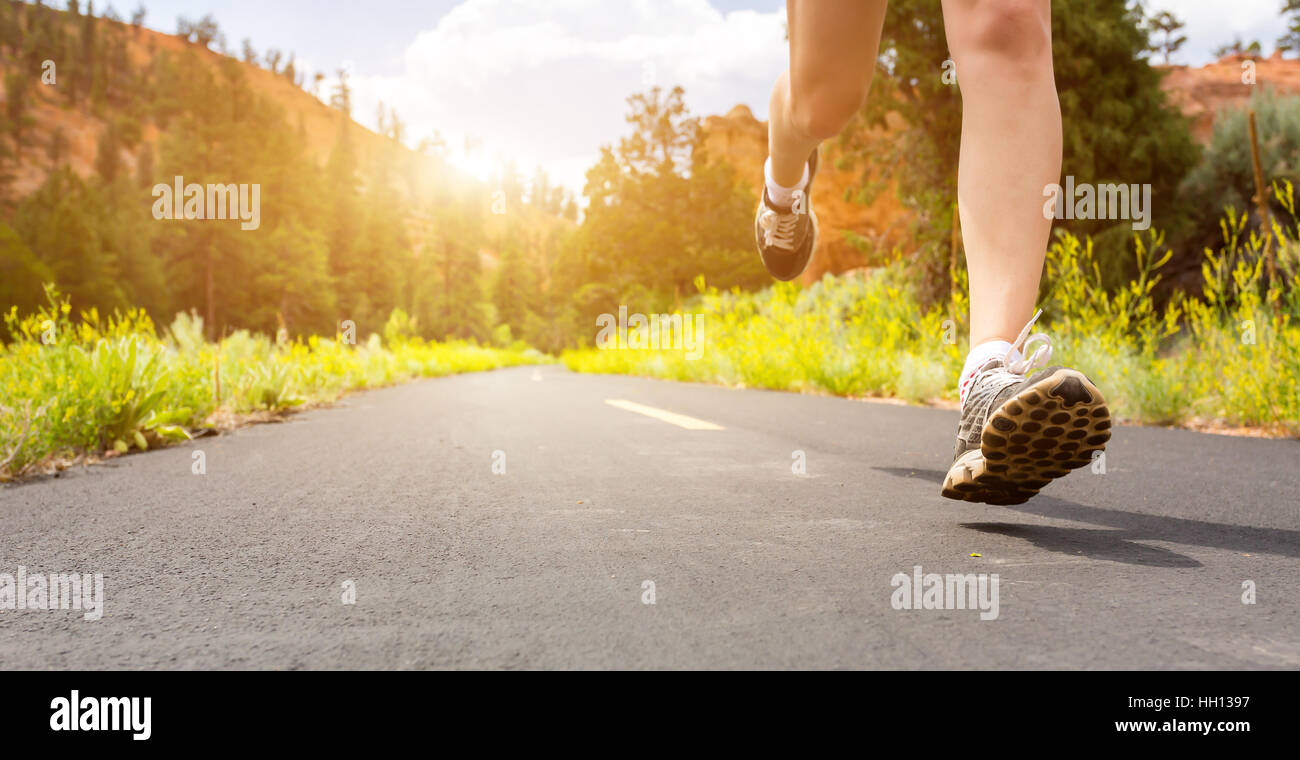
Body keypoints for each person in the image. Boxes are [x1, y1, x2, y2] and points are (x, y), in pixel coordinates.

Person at [753, 0, 1110, 505]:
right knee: (823, 100)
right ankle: (783, 187)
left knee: (1006, 21)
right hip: (813, 116)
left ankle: (990, 373)